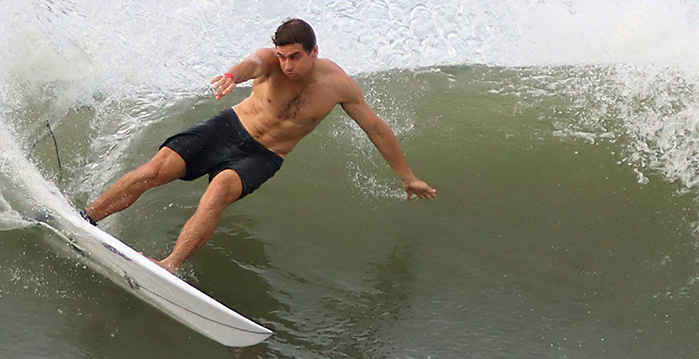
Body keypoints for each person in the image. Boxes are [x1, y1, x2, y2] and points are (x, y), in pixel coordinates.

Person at [86, 18, 436, 272]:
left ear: (314, 51)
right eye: (282, 56)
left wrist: (407, 176)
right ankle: (89, 217)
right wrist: (230, 76)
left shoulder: (339, 86)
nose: (287, 65)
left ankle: (170, 265)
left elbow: (375, 128)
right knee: (156, 169)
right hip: (228, 127)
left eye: (295, 57)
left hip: (265, 155)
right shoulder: (270, 62)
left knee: (219, 191)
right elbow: (251, 64)